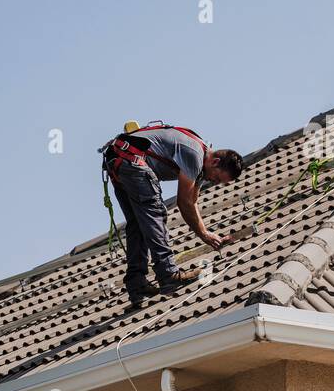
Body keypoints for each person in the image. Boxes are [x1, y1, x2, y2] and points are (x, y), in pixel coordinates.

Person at [101, 124, 244, 306]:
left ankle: (137, 284)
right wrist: (204, 234)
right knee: (156, 214)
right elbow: (183, 203)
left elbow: (192, 201)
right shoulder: (194, 155)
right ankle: (168, 273)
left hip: (118, 161)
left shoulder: (200, 158)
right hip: (132, 161)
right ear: (215, 162)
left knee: (138, 224)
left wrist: (206, 234)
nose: (213, 182)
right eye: (216, 178)